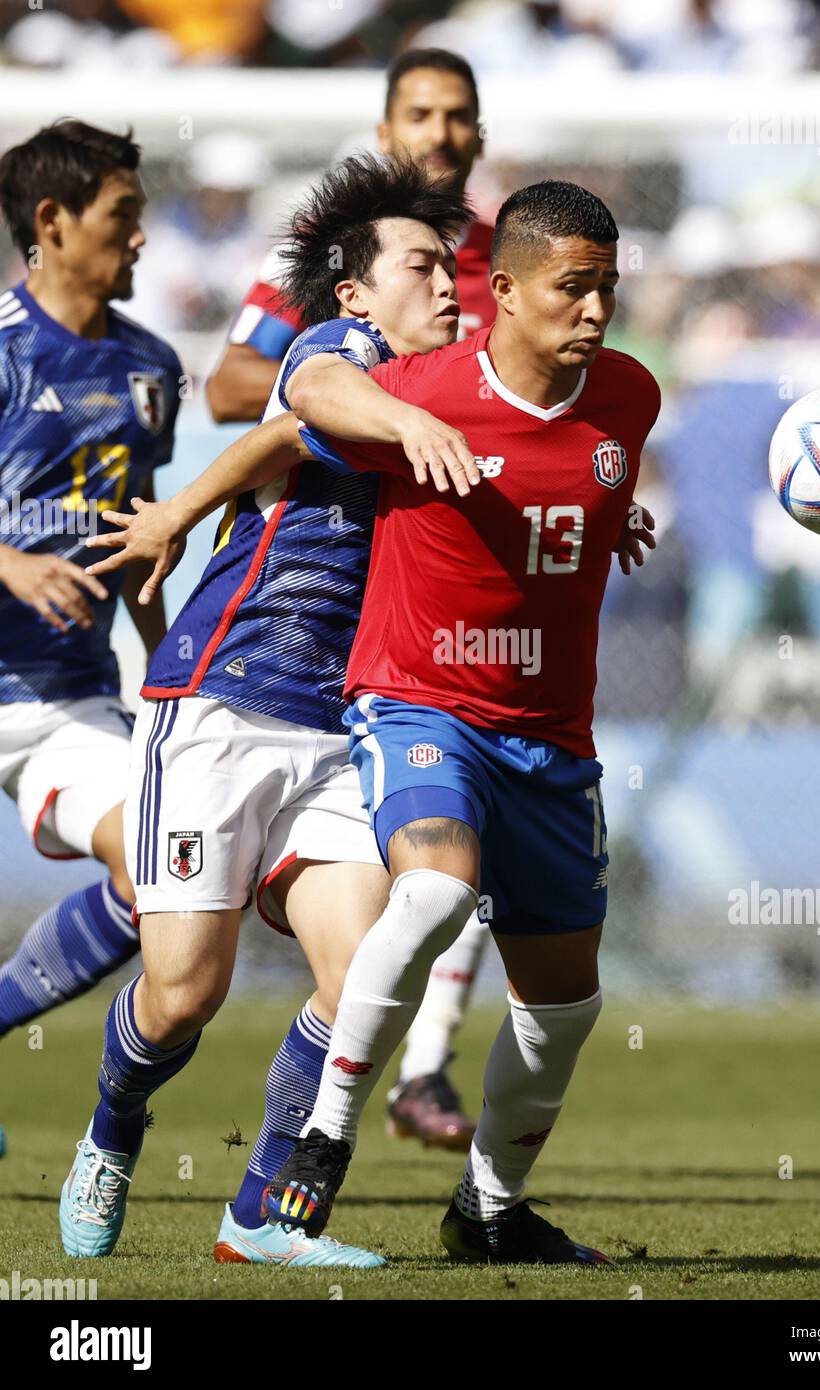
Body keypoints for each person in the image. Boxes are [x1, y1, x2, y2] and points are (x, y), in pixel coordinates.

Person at [58, 155, 477, 1269]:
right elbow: (304, 410)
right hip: (223, 710)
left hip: (343, 734)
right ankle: (112, 1130)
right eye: (421, 266)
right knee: (185, 990)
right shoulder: (340, 354)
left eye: (450, 268)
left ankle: (260, 1212)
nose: (447, 286)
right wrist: (187, 512)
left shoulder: (454, 392)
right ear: (354, 291)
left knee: (367, 977)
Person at [247, 179, 663, 1263]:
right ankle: (322, 1141)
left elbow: (569, 485)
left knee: (563, 1004)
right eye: (572, 288)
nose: (593, 310)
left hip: (551, 736)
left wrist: (603, 523)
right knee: (434, 886)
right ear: (506, 290)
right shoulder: (419, 387)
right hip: (419, 698)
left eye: (606, 289)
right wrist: (402, 417)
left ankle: (487, 1209)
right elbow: (307, 380)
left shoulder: (627, 396)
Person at [206, 47, 497, 1151]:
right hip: (316, 581)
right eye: (418, 112)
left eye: (457, 115)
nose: (439, 131)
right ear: (384, 125)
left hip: (446, 572)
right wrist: (384, 394)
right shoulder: (355, 266)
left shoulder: (493, 263)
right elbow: (241, 383)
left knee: (460, 834)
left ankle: (418, 1067)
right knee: (178, 946)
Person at [0, 121, 181, 1159]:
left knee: (159, 874)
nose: (143, 239)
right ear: (52, 222)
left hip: (64, 698)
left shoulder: (150, 368)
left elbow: (142, 526)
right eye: (124, 217)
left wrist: (169, 661)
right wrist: (11, 562)